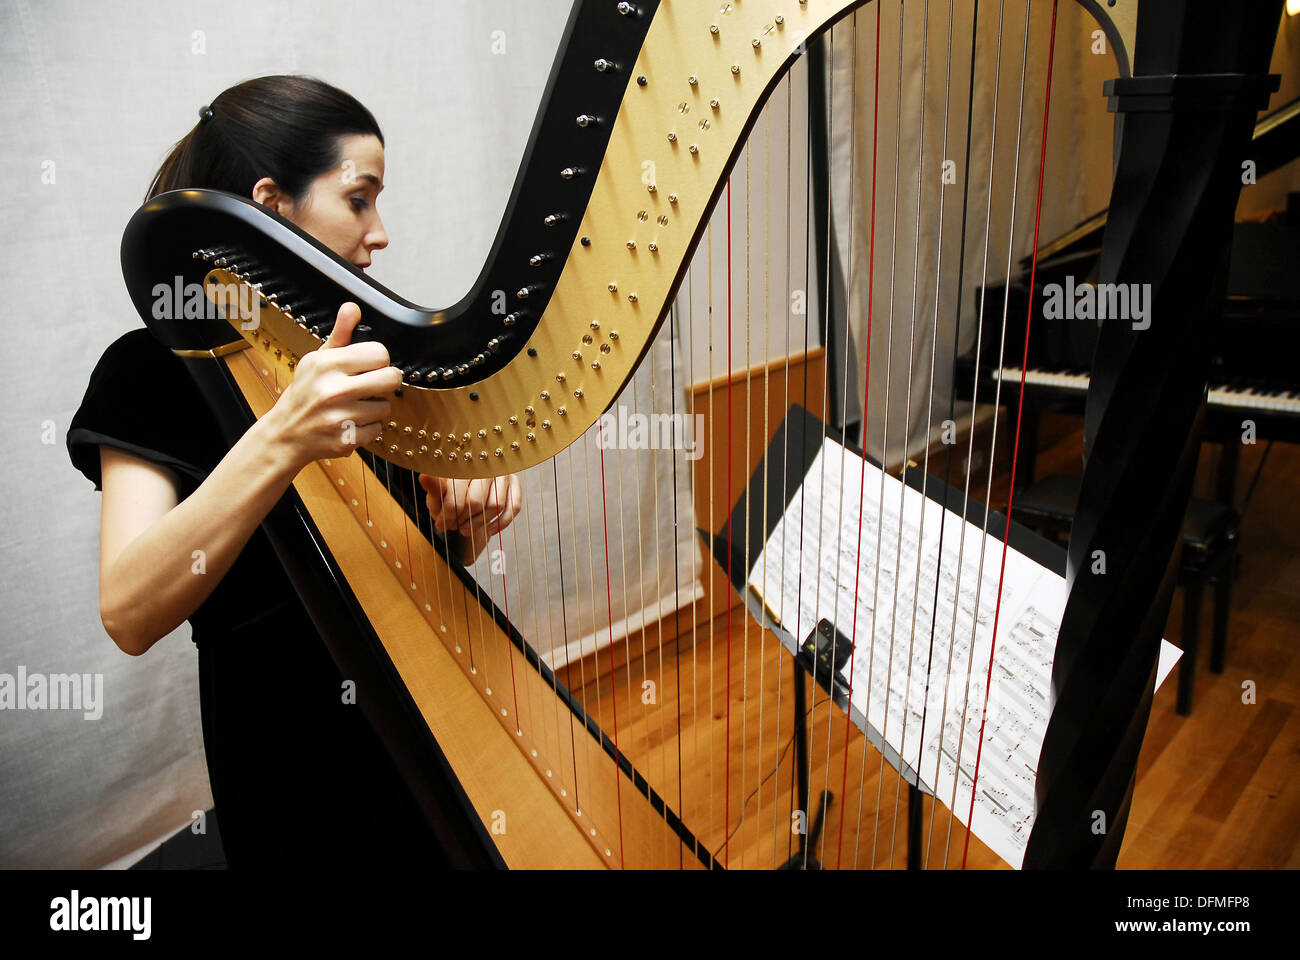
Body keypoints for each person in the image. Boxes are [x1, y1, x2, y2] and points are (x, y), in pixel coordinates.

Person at [66, 75, 522, 868]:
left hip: (435, 707)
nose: (380, 233)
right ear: (273, 204)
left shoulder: (360, 354)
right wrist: (282, 438)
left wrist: (468, 517)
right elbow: (128, 613)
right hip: (285, 757)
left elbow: (423, 561)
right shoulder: (148, 371)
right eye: (359, 199)